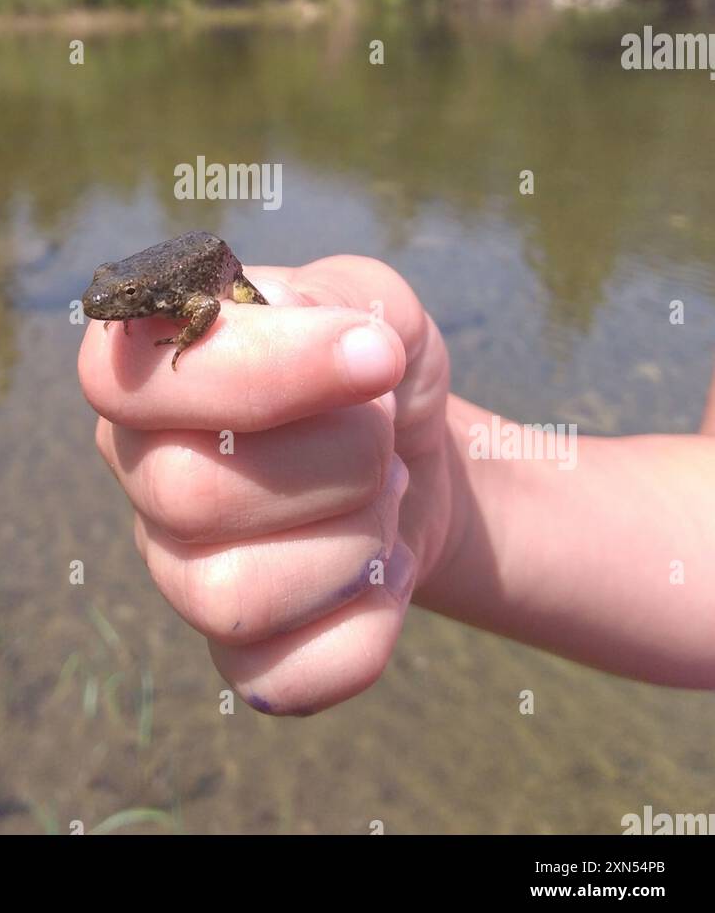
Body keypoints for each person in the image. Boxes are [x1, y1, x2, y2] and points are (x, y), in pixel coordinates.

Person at [78, 253, 715, 715]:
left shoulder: (181, 290)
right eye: (108, 295)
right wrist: (447, 491)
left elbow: (206, 307)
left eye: (123, 296)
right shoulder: (137, 296)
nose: (101, 304)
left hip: (215, 264)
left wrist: (183, 342)